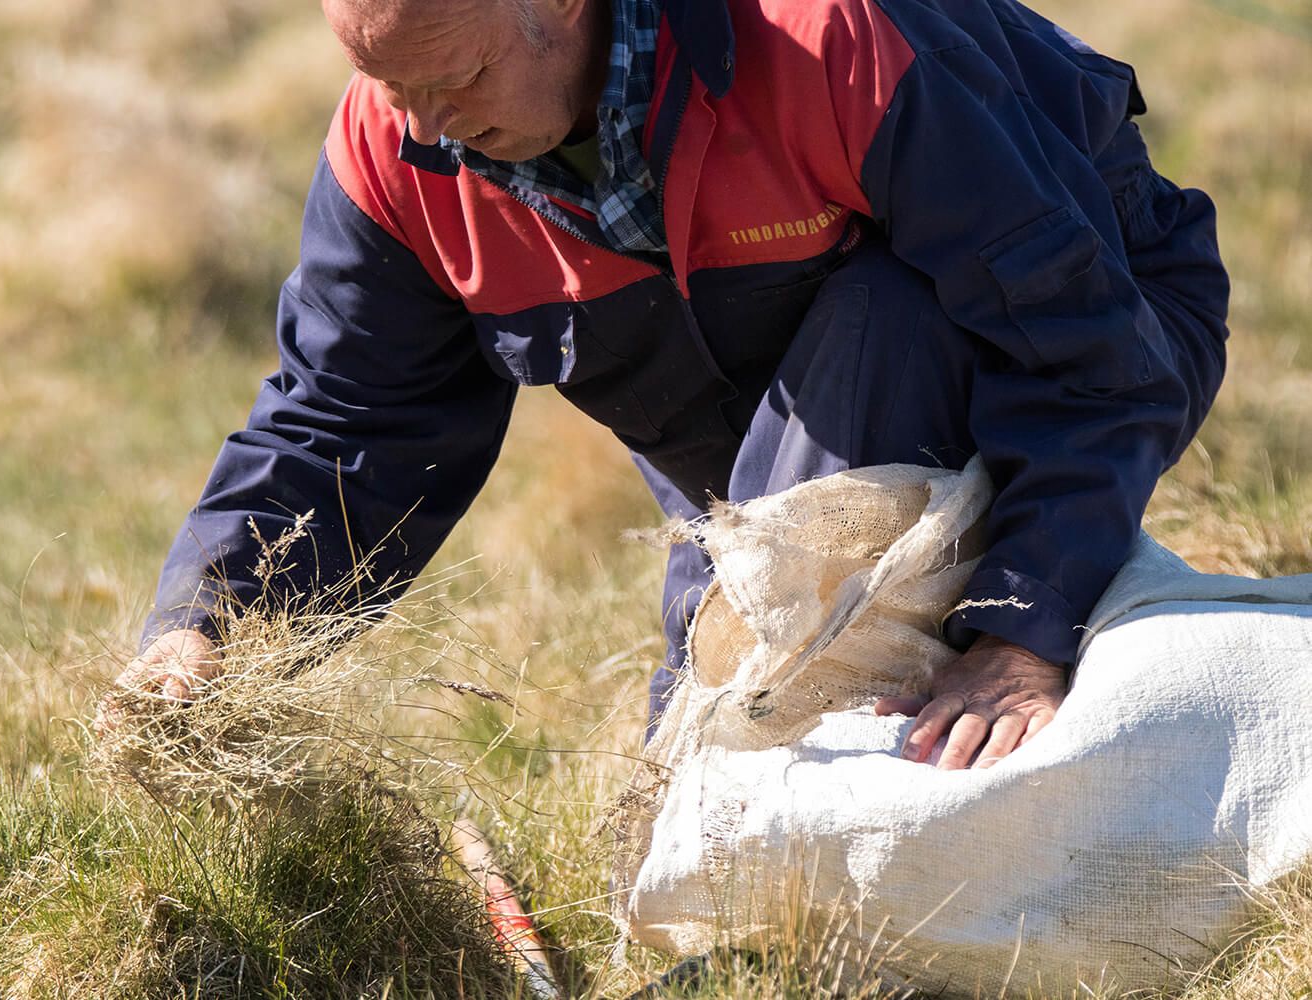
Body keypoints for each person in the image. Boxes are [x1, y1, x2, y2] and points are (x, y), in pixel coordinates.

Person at [105, 0, 1229, 770]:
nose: (424, 128)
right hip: (751, 450)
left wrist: (1022, 633)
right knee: (687, 781)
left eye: (455, 77)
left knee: (783, 700)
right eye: (385, 80)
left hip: (1088, 312)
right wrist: (208, 629)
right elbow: (346, 418)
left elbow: (1086, 346)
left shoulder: (832, 40)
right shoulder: (398, 149)